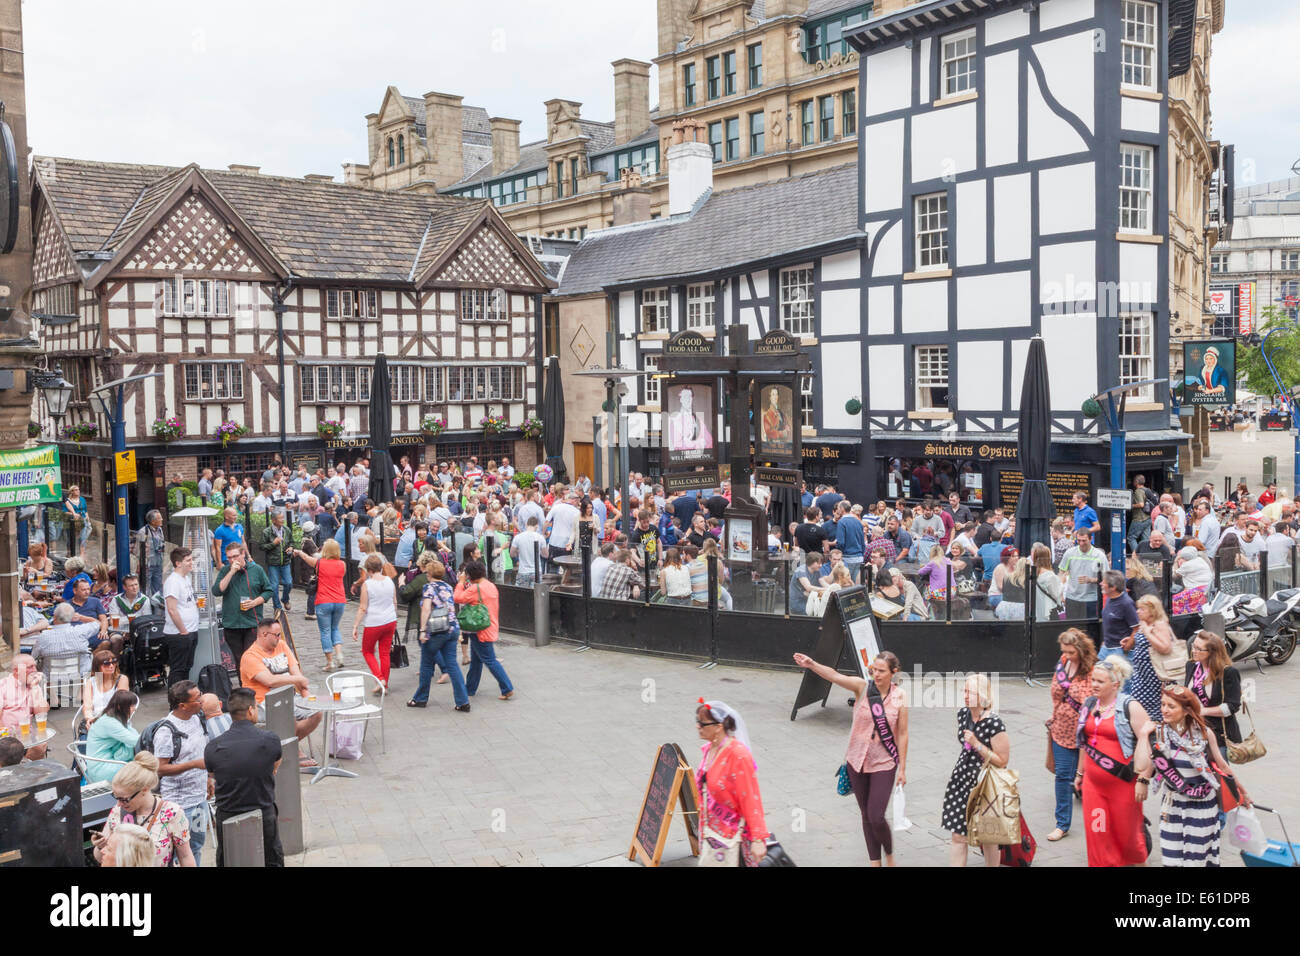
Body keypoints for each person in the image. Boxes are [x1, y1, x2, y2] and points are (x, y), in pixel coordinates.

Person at [794, 651, 908, 865]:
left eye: (882, 671)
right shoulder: (862, 687)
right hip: (857, 760)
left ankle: (889, 855)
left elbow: (902, 733)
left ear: (894, 672)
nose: (876, 674)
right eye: (874, 669)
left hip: (884, 762)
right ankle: (875, 861)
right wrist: (812, 664)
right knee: (866, 815)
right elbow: (834, 676)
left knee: (876, 815)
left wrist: (902, 768)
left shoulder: (899, 697)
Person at [1143, 686, 1251, 868]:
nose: (1164, 710)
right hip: (1173, 806)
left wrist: (1242, 793)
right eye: (1162, 704)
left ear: (1186, 710)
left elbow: (1222, 766)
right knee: (1172, 859)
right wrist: (1142, 736)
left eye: (1171, 706)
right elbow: (1147, 765)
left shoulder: (1204, 733)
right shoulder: (1158, 733)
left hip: (1203, 806)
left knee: (1198, 859)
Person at [1075, 657, 1152, 867]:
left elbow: (1150, 746)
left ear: (1115, 684)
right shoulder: (1089, 704)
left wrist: (1143, 780)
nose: (1094, 685)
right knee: (1098, 833)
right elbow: (1084, 742)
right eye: (1093, 680)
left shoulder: (1131, 706)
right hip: (1094, 786)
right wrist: (1080, 774)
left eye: (1100, 681)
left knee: (1128, 837)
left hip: (1124, 785)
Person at [204, 686, 284, 867]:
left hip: (228, 813)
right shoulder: (269, 739)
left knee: (228, 859)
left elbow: (213, 775)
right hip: (262, 810)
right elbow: (275, 766)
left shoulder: (213, 746)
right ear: (250, 710)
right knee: (272, 858)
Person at [942, 674, 1009, 866]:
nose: (964, 695)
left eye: (969, 692)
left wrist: (977, 744)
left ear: (981, 695)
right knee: (957, 836)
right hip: (962, 780)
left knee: (988, 838)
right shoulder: (963, 714)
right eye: (964, 690)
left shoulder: (994, 723)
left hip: (986, 785)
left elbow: (1002, 761)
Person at [694, 700, 768, 866]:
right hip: (710, 831)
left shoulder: (738, 756)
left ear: (719, 727)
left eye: (702, 723)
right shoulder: (709, 749)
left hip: (734, 837)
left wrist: (758, 839)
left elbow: (750, 798)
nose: (697, 726)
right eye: (697, 722)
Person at [91, 751, 195, 867]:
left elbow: (185, 856)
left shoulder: (171, 813)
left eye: (124, 799)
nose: (119, 804)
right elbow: (101, 858)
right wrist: (100, 846)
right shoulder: (117, 811)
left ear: (144, 790)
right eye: (116, 797)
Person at [152, 680, 211, 866]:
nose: (202, 700)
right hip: (179, 806)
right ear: (182, 705)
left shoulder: (197, 719)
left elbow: (202, 753)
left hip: (200, 799)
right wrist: (193, 764)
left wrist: (209, 777)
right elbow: (160, 768)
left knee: (196, 846)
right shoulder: (166, 731)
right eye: (197, 698)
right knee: (179, 852)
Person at [239, 620, 323, 748]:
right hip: (263, 701)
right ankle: (290, 750)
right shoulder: (250, 656)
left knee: (316, 712)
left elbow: (296, 672)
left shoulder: (282, 645)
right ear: (264, 634)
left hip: (288, 696)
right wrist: (297, 680)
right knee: (288, 713)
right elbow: (270, 680)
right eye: (276, 635)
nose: (279, 637)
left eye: (280, 634)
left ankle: (289, 747)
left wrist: (306, 694)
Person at [1046, 629, 1096, 842]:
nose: (1066, 654)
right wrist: (1054, 714)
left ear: (1082, 651)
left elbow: (1097, 701)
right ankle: (1062, 824)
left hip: (1088, 734)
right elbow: (1056, 694)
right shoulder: (1063, 662)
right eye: (1063, 650)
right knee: (1063, 776)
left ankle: (1098, 822)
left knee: (1090, 778)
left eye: (1071, 651)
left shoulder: (1093, 671)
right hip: (1061, 730)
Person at [409, 560, 470, 712]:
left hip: (436, 630)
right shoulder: (448, 586)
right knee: (452, 664)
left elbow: (426, 609)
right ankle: (463, 701)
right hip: (452, 628)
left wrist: (423, 630)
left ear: (429, 574)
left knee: (426, 664)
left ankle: (420, 698)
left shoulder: (428, 587)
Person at [455, 559, 513, 700]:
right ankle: (470, 688)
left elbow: (457, 598)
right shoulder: (490, 585)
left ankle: (507, 688)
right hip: (489, 625)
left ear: (470, 575)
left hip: (481, 630)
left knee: (489, 660)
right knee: (476, 660)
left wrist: (461, 582)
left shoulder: (476, 588)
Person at [212, 541, 272, 666]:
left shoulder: (256, 570)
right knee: (239, 659)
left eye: (235, 556)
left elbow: (268, 591)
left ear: (243, 554)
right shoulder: (225, 571)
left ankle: (255, 684)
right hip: (232, 624)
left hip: (251, 622)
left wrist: (255, 602)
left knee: (250, 658)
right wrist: (231, 572)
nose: (232, 560)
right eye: (229, 557)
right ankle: (244, 685)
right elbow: (217, 591)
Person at [294, 538, 348, 671]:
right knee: (335, 628)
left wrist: (299, 552)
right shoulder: (342, 564)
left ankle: (330, 663)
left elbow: (307, 558)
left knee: (325, 631)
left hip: (324, 600)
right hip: (339, 600)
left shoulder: (320, 563)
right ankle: (339, 654)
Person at [1185, 631, 1240, 752]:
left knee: (1220, 769)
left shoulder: (1228, 672)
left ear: (1212, 653)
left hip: (1218, 735)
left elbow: (1232, 707)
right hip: (1194, 734)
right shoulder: (1191, 665)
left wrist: (1202, 711)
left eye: (1199, 649)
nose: (1194, 651)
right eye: (1193, 646)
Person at [353, 552, 397, 690]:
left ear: (368, 570)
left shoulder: (368, 584)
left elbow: (363, 607)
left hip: (374, 622)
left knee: (367, 651)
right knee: (384, 653)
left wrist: (355, 626)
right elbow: (394, 602)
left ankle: (379, 678)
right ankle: (384, 682)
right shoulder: (389, 580)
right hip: (390, 620)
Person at [161, 548, 201, 685]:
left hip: (192, 629)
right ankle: (175, 701)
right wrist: (183, 631)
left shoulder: (186, 578)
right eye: (188, 560)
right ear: (178, 563)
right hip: (179, 633)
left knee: (186, 667)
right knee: (178, 669)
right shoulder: (173, 581)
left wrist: (195, 603)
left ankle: (185, 697)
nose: (191, 563)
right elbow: (172, 609)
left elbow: (183, 602)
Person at [84, 690, 141, 785]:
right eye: (131, 706)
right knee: (143, 771)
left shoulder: (111, 715)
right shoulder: (110, 722)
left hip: (102, 763)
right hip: (102, 769)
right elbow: (135, 741)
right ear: (119, 707)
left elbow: (131, 736)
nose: (134, 709)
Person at [31, 602, 99, 677]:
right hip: (80, 678)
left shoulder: (43, 637)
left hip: (51, 681)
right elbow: (97, 623)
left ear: (54, 617)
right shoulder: (81, 631)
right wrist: (80, 617)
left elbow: (33, 657)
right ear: (71, 618)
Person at [0, 654, 49, 757]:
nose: (34, 670)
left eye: (35, 666)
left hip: (27, 738)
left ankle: (26, 768)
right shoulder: (3, 686)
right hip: (6, 739)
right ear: (16, 671)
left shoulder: (32, 685)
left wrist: (35, 687)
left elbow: (42, 713)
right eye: (29, 667)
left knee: (40, 745)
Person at [1099, 569, 1140, 674]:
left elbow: (1137, 628)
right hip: (1107, 648)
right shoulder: (1109, 599)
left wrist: (1127, 647)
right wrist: (1105, 642)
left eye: (1104, 582)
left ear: (1113, 587)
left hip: (1119, 651)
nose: (1101, 584)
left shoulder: (1126, 603)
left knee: (1122, 685)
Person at [1059, 530, 1107, 618]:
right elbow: (1061, 573)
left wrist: (1091, 580)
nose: (1081, 543)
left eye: (1084, 540)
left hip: (1091, 599)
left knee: (1089, 630)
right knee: (1072, 629)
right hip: (1072, 598)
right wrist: (1061, 593)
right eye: (1079, 540)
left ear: (1091, 539)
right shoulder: (1069, 553)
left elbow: (1106, 578)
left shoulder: (1099, 555)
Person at [82, 646, 129, 724]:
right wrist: (89, 719)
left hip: (117, 721)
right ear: (97, 666)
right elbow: (87, 706)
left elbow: (121, 705)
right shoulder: (91, 682)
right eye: (106, 663)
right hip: (95, 721)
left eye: (113, 662)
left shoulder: (122, 679)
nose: (111, 666)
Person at [261, 510, 295, 611]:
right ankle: (277, 607)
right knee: (274, 585)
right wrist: (273, 544)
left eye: (283, 518)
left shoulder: (287, 530)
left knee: (288, 583)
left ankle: (285, 599)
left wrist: (291, 548)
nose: (283, 520)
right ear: (274, 520)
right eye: (280, 518)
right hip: (273, 563)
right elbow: (261, 547)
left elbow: (292, 542)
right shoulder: (266, 532)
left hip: (285, 562)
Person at [1171, 544, 1213, 615]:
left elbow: (1174, 575)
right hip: (1207, 589)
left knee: (1173, 600)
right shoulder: (1200, 560)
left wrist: (1175, 561)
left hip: (1197, 591)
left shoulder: (1187, 565)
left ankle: (1179, 617)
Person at [64, 484, 90, 558]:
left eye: (78, 489)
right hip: (72, 521)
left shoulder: (82, 499)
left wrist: (87, 518)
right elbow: (64, 511)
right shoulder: (67, 501)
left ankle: (82, 554)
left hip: (82, 521)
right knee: (70, 537)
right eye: (76, 490)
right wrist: (73, 514)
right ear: (71, 492)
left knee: (83, 537)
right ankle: (69, 553)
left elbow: (85, 510)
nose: (78, 491)